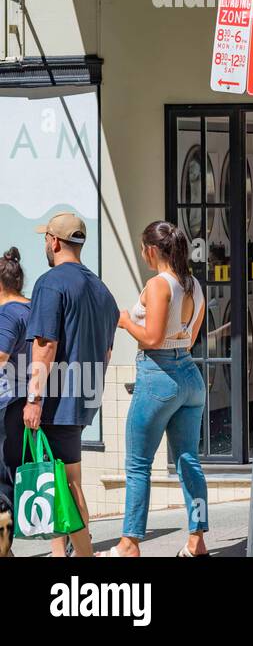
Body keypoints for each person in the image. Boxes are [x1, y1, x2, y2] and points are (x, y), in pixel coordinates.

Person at [100, 220, 209, 557]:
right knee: (189, 460)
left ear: (151, 249)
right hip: (190, 375)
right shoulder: (193, 285)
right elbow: (189, 338)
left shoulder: (159, 284)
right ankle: (197, 540)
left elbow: (152, 337)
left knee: (137, 465)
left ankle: (129, 544)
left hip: (158, 374)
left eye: (141, 248)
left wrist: (124, 319)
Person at [18, 213, 117, 556]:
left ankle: (85, 559)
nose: (45, 244)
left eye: (45, 238)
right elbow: (105, 352)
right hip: (82, 396)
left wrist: (34, 398)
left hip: (57, 400)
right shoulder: (101, 289)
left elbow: (45, 345)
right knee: (58, 482)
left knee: (69, 484)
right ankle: (60, 555)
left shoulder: (51, 283)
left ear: (55, 242)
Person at [0, 247, 30, 557]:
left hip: (6, 404)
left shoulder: (7, 313)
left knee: (2, 482)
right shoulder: (31, 307)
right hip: (27, 402)